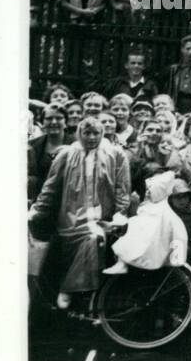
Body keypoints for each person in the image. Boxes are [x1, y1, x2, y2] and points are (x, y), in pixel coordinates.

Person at [28, 118, 132, 309]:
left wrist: (120, 213)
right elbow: (50, 188)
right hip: (72, 218)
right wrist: (36, 211)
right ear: (79, 133)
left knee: (95, 237)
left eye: (96, 133)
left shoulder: (116, 155)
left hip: (103, 218)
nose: (91, 138)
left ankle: (73, 291)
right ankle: (75, 292)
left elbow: (122, 189)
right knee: (91, 237)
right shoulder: (66, 155)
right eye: (87, 133)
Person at [104, 171, 188, 274]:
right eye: (147, 189)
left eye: (150, 190)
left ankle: (122, 262)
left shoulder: (159, 208)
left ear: (159, 192)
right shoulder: (154, 205)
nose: (147, 192)